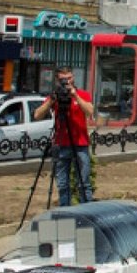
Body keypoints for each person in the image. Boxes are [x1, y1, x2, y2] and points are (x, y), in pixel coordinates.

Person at [32, 67, 94, 206]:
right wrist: (52, 100)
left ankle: (88, 211)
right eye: (62, 79)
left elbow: (90, 111)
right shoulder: (55, 96)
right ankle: (66, 212)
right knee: (62, 184)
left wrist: (75, 95)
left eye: (69, 78)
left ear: (73, 78)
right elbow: (37, 115)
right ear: (57, 80)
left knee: (84, 183)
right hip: (61, 143)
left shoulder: (82, 94)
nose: (67, 82)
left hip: (80, 143)